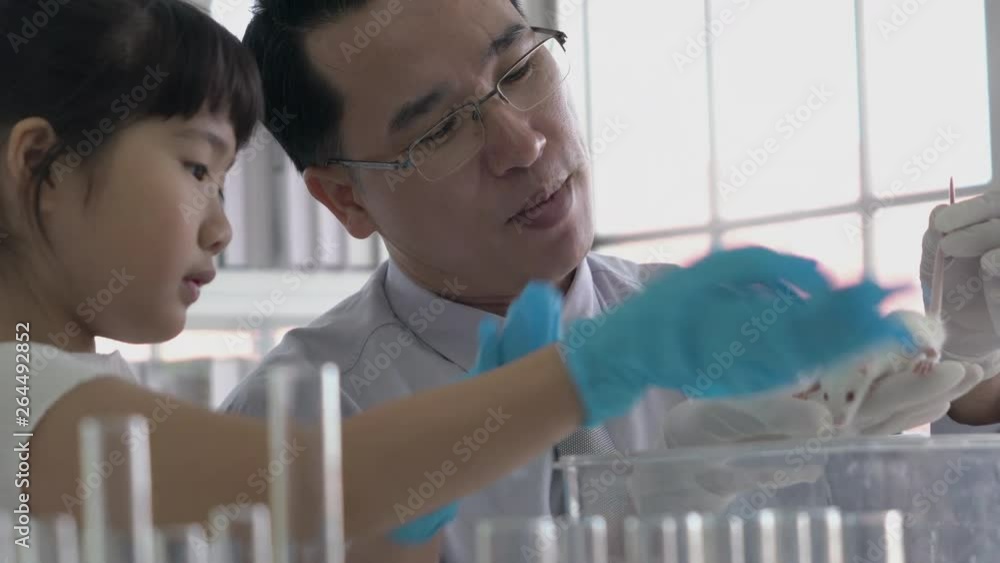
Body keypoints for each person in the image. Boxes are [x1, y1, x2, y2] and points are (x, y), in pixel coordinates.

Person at [0, 0, 908, 551]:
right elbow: (311, 485)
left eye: (521, 67)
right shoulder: (28, 400)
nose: (522, 144)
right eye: (196, 167)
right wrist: (591, 370)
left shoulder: (78, 386)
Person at [221, 0, 1000, 560]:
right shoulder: (290, 427)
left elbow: (925, 539)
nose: (523, 145)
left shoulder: (728, 328)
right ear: (346, 199)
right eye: (442, 128)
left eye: (520, 69)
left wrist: (978, 392)